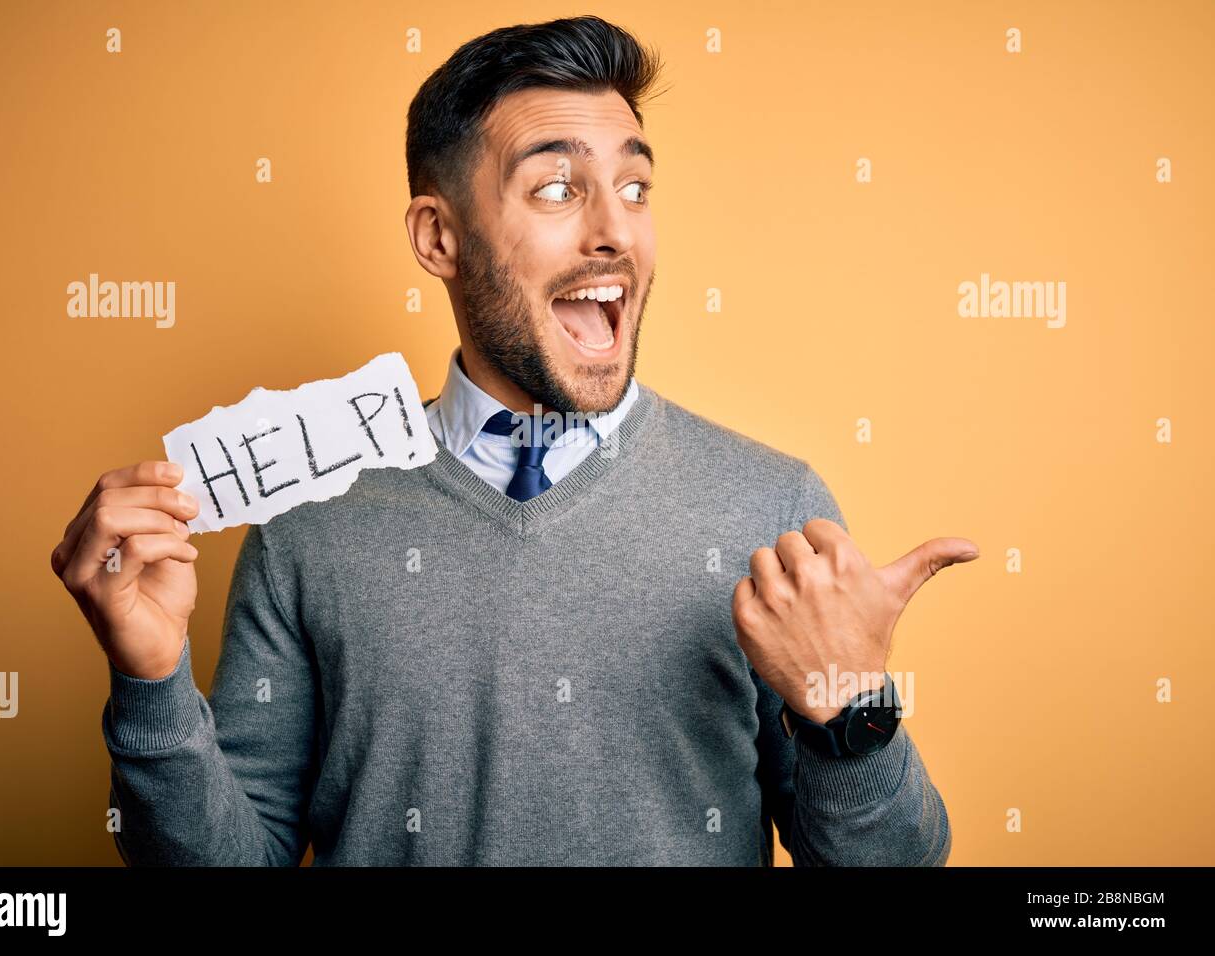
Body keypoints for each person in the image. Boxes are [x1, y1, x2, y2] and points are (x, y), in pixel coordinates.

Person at [52, 15, 973, 866]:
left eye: (635, 186)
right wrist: (152, 679)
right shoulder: (308, 523)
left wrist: (849, 706)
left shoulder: (769, 508)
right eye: (558, 188)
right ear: (438, 235)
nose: (616, 231)